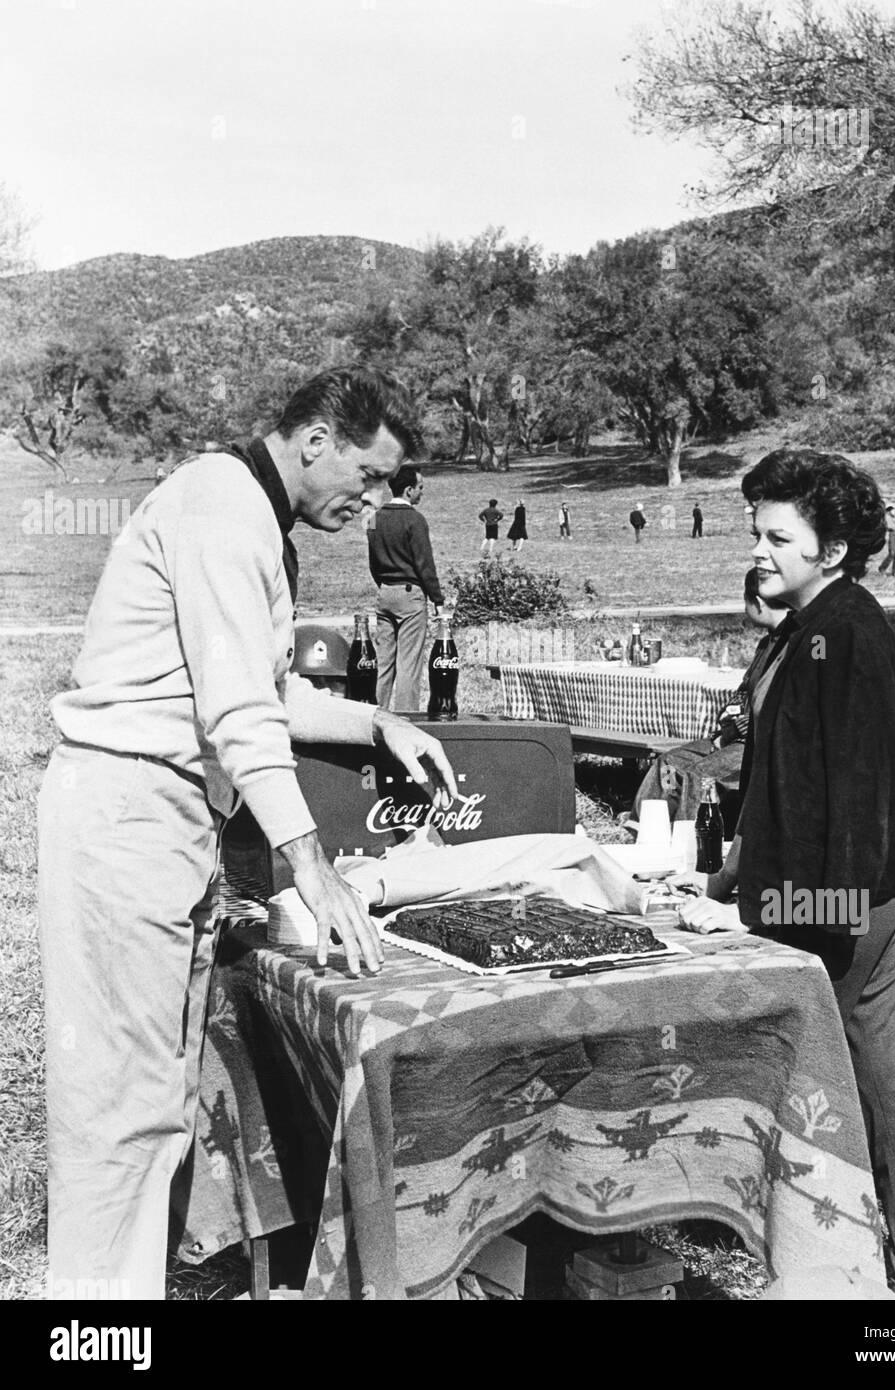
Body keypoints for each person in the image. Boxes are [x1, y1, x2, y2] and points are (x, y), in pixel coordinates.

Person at [36, 368, 459, 1301]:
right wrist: (315, 868)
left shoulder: (252, 515)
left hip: (169, 817)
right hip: (129, 811)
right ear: (315, 438)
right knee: (121, 1114)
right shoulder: (223, 507)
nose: (374, 500)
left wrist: (376, 724)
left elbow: (266, 691)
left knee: (157, 1098)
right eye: (368, 473)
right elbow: (239, 714)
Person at [684, 447, 895, 1299]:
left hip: (850, 901)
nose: (758, 551)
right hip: (865, 896)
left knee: (803, 1073)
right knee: (884, 1075)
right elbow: (783, 786)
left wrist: (756, 919)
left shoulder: (841, 637)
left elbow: (850, 824)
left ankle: (821, 1257)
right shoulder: (812, 629)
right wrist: (729, 880)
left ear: (831, 550)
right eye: (755, 533)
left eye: (778, 537)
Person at [627, 569, 787, 829]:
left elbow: (782, 707)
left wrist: (739, 726)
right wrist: (730, 715)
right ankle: (645, 831)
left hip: (760, 746)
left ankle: (690, 848)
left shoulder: (796, 644)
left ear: (756, 601)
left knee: (699, 775)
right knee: (668, 764)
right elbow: (745, 690)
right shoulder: (766, 644)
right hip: (734, 738)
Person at [368, 464, 445, 712]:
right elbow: (425, 564)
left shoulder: (374, 518)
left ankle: (373, 717)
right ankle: (405, 720)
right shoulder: (415, 520)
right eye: (420, 487)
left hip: (385, 593)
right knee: (408, 665)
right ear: (409, 490)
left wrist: (384, 585)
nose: (422, 492)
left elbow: (373, 562)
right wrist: (438, 599)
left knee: (383, 663)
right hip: (410, 595)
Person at [878, 503, 895, 577]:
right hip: (892, 535)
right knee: (891, 553)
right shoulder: (886, 517)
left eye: (894, 509)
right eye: (892, 509)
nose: (894, 511)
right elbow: (888, 526)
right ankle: (882, 568)